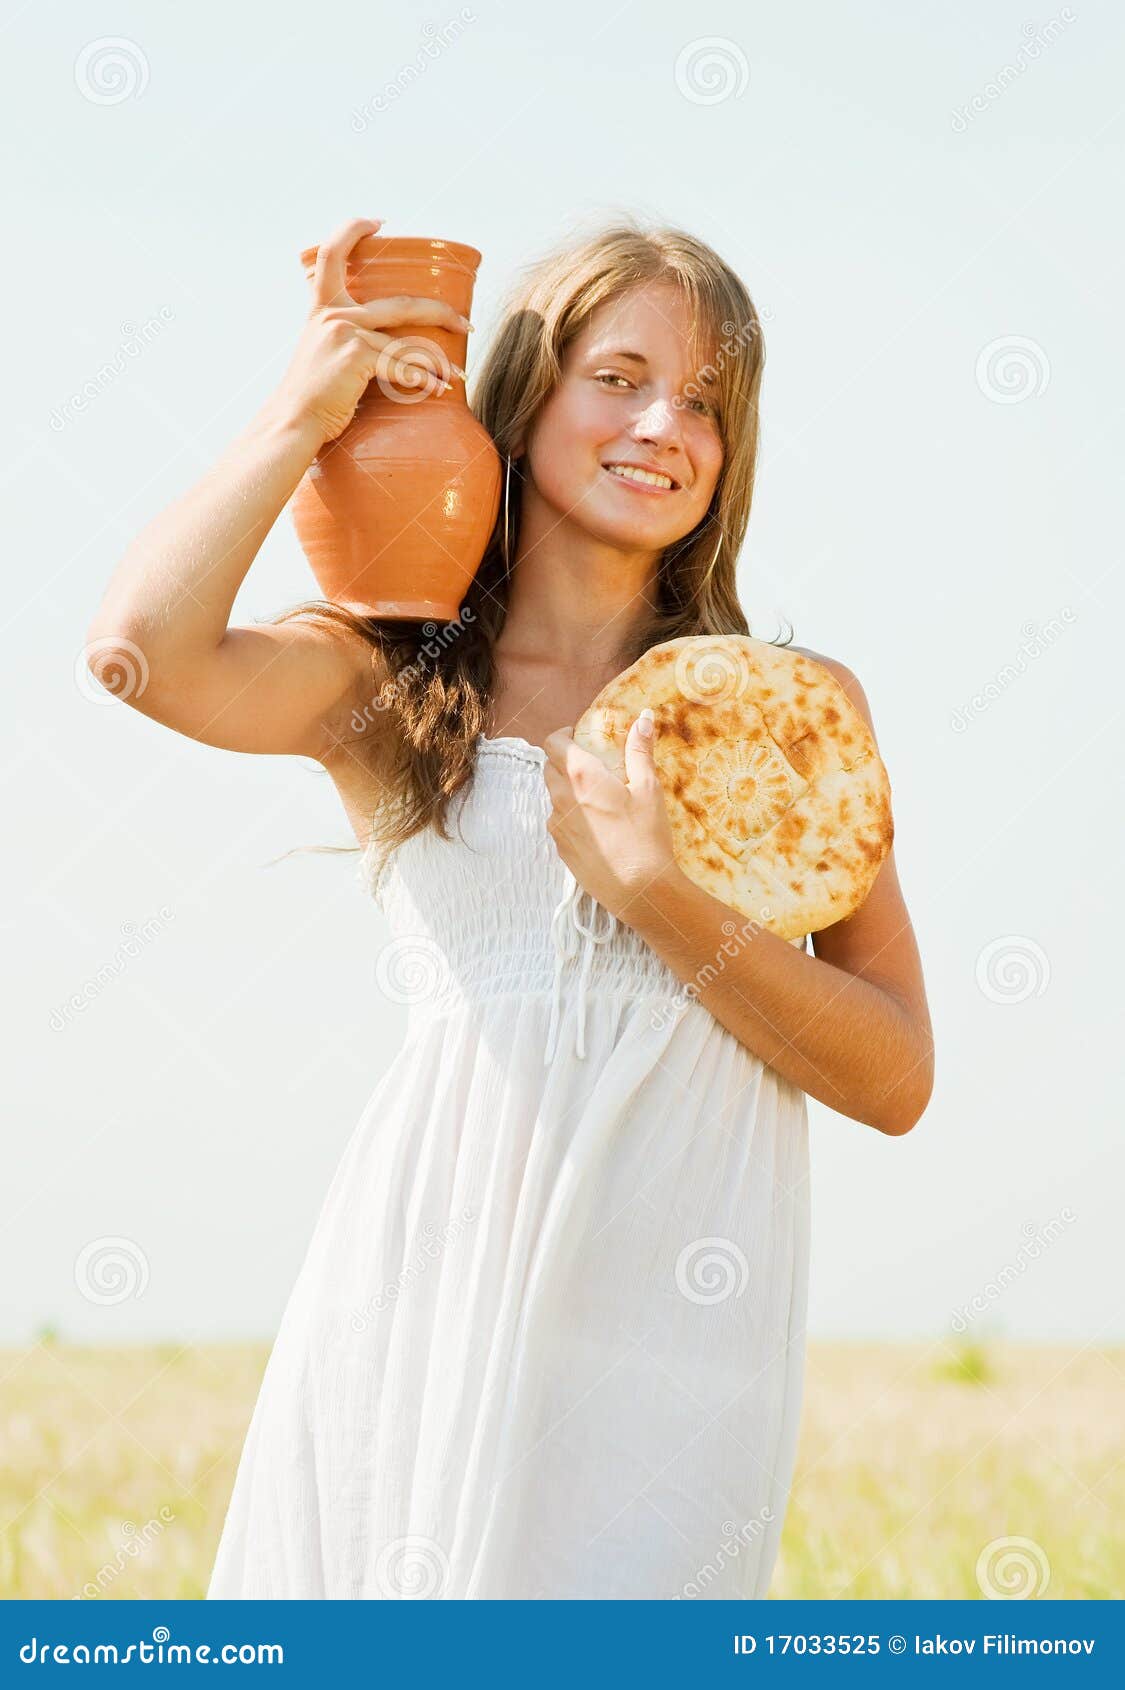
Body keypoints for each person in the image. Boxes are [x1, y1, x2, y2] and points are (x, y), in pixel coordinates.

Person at [86, 215, 933, 1599]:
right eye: (619, 376)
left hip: (679, 1322)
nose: (665, 422)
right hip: (429, 1292)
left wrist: (658, 893)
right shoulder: (394, 679)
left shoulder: (791, 713)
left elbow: (895, 1072)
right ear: (525, 397)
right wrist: (301, 415)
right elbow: (140, 654)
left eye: (708, 401)